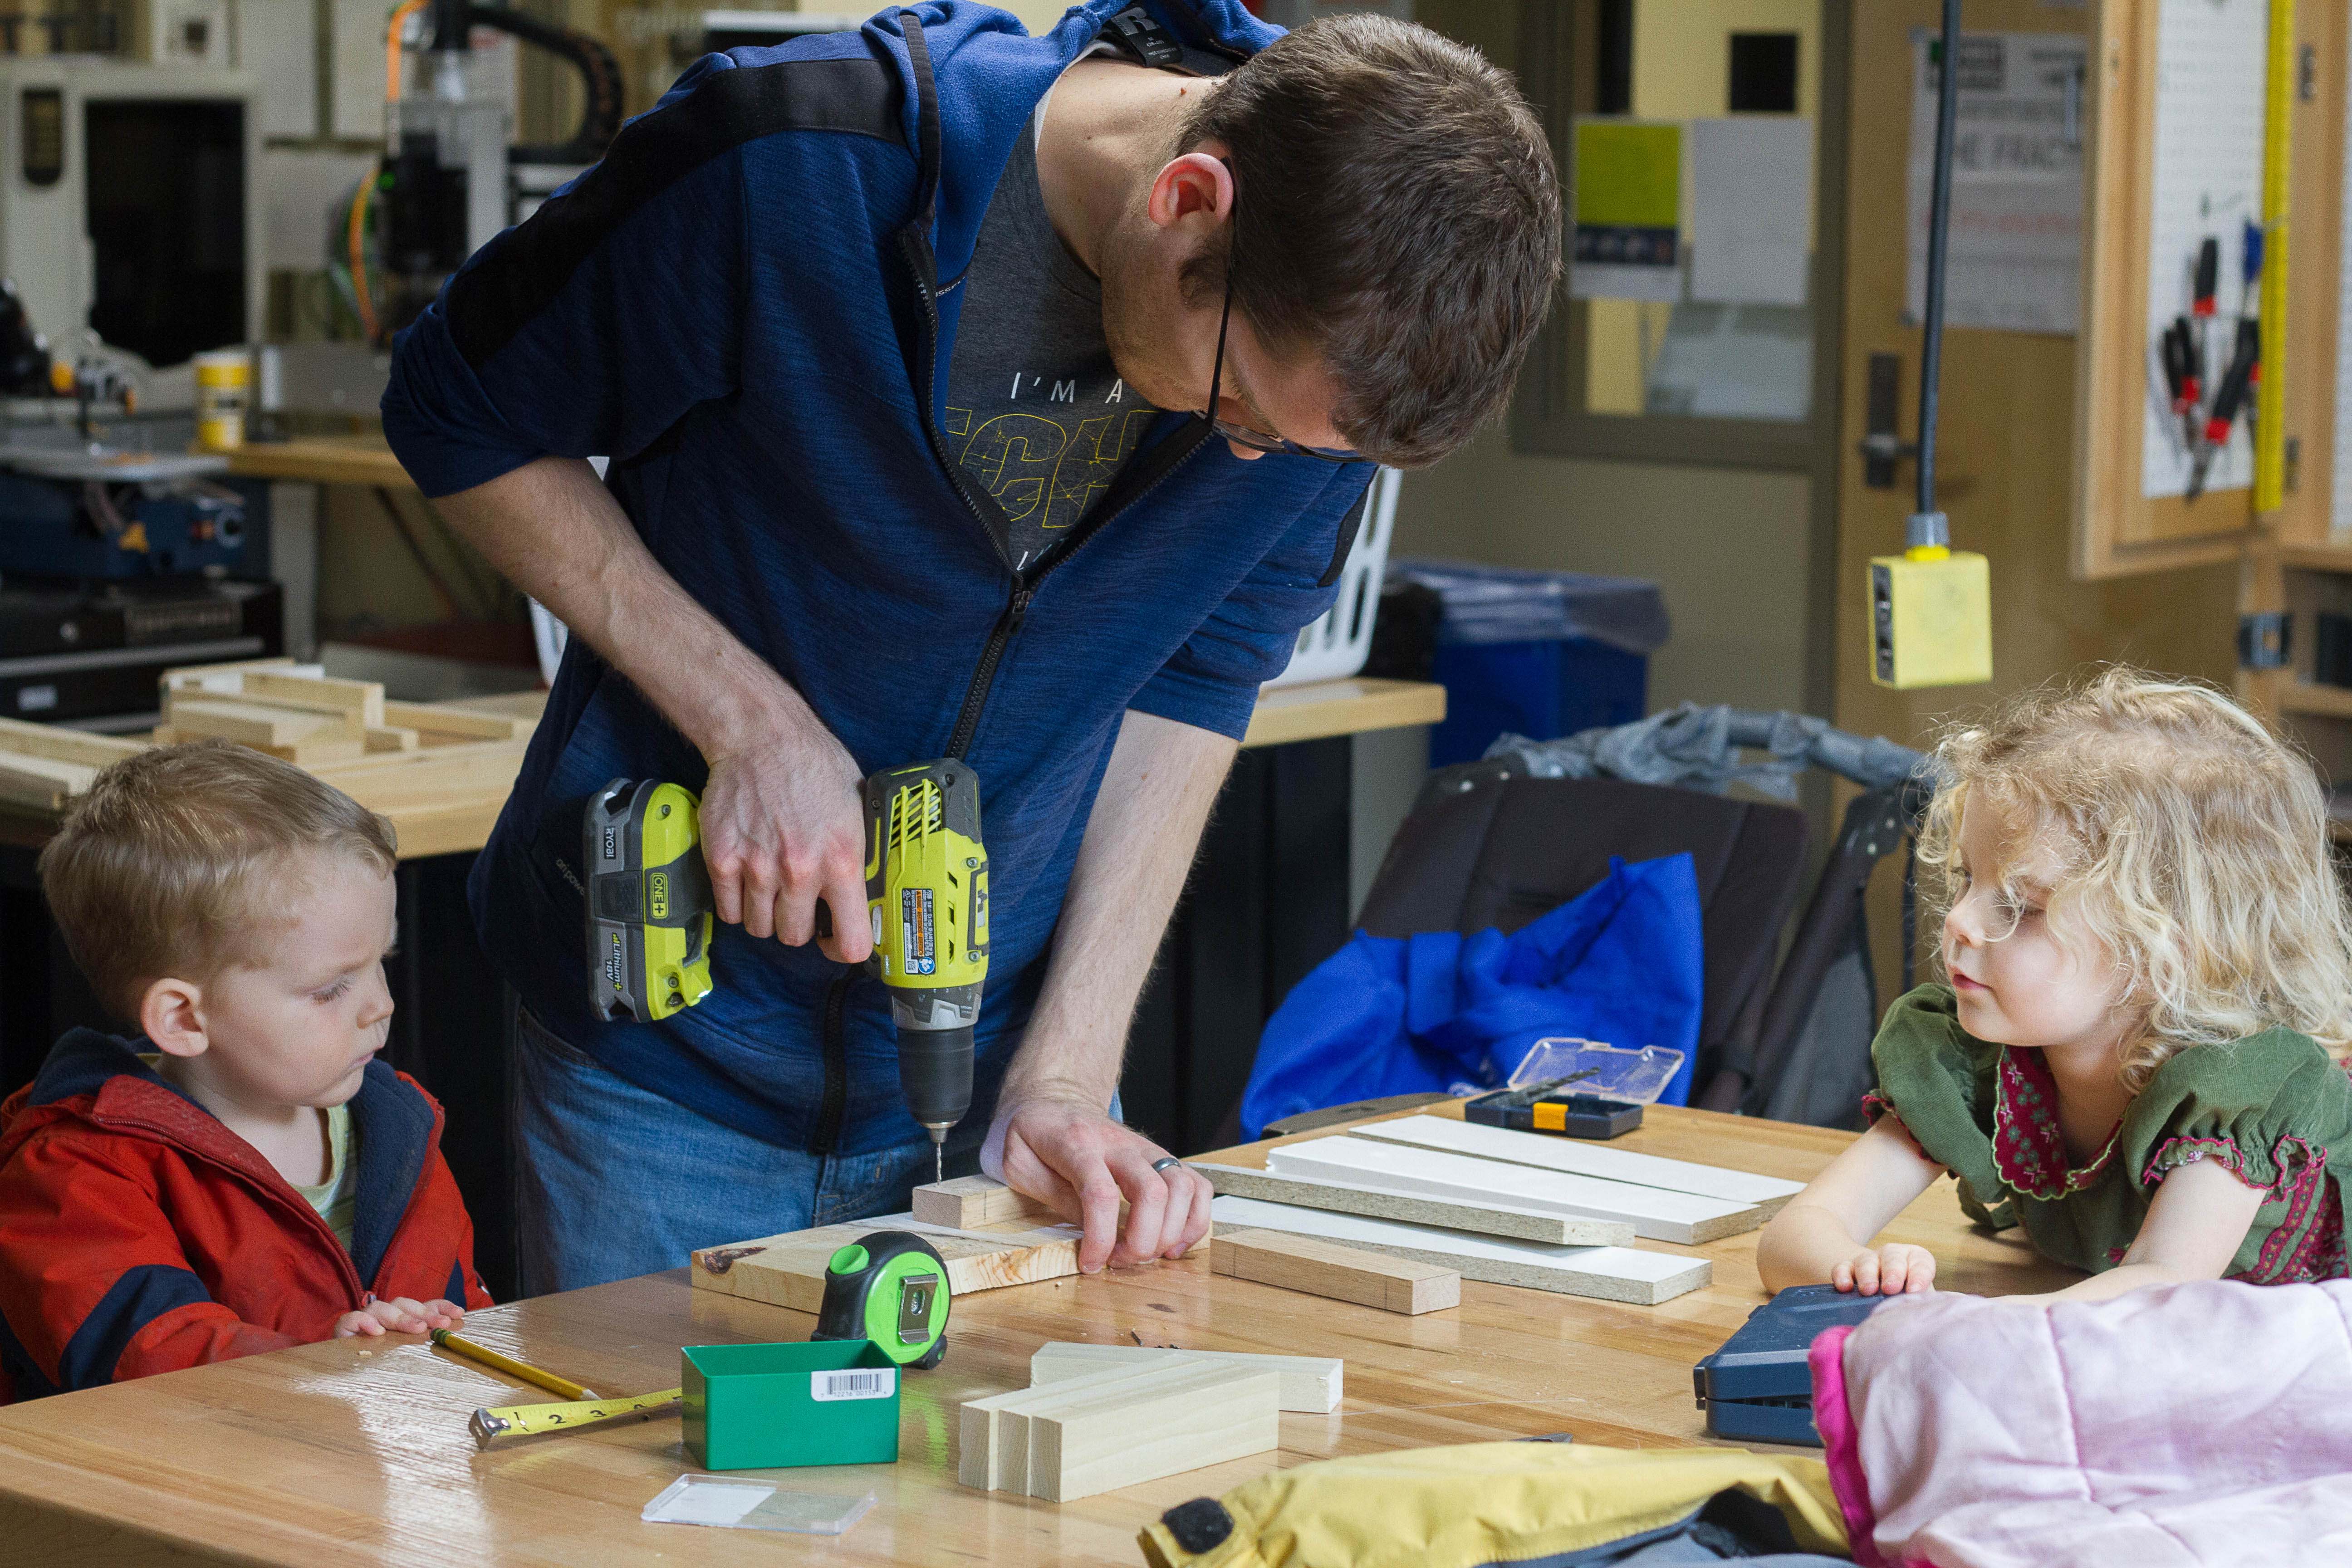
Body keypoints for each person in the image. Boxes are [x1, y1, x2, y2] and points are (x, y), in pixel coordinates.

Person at [382, 2, 1563, 1292]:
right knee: (646, 1430)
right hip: (665, 1062)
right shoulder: (794, 162)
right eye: (1238, 399)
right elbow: (457, 410)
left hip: (994, 1084)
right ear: (1188, 199)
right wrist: (749, 724)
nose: (1247, 454)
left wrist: (1067, 1076)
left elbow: (1196, 678)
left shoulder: (1316, 373)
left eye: (1289, 440)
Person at [1759, 668, 2352, 1303]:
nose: (1959, 921)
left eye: (2022, 908)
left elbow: (2157, 1292)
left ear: (2167, 948)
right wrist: (1860, 1272)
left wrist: (1962, 1328)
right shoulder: (1967, 1054)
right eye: (1966, 878)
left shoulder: (2237, 1089)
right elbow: (1791, 1237)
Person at [0, 744, 493, 1401]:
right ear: (183, 1018)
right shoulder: (73, 1176)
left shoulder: (399, 1124)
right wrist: (327, 1361)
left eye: (383, 960)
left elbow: (473, 1316)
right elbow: (147, 1367)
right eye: (330, 988)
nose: (382, 1004)